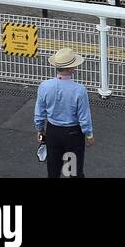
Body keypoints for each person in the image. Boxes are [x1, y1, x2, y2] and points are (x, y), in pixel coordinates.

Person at [34, 47, 94, 178]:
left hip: (53, 131)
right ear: (70, 69)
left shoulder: (45, 86)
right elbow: (84, 116)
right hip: (73, 134)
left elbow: (39, 113)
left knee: (53, 169)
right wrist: (88, 134)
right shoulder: (79, 90)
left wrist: (40, 130)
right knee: (73, 170)